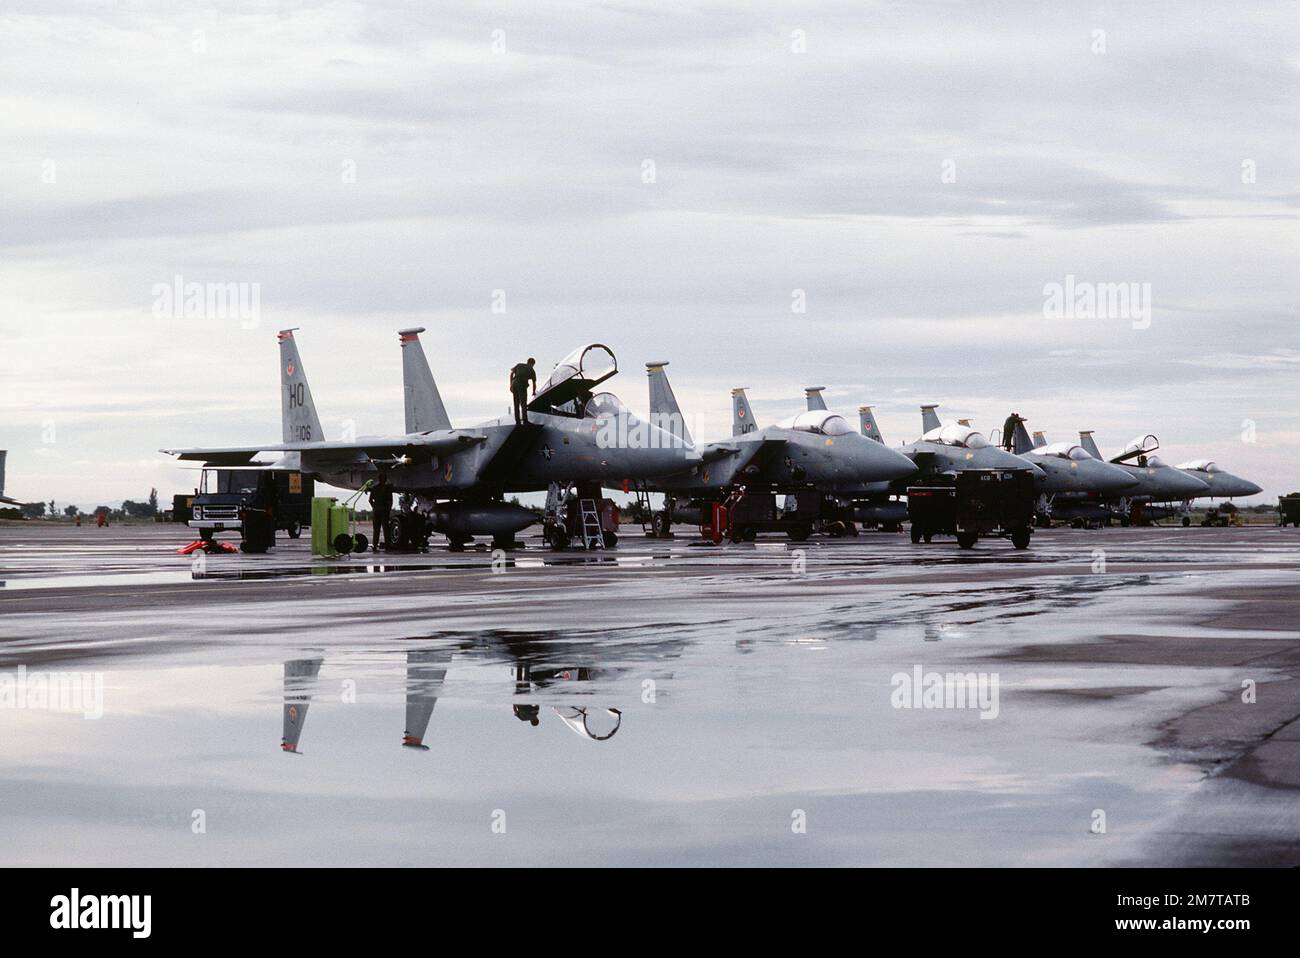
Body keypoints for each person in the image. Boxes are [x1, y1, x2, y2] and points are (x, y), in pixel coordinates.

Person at [369, 472, 393, 552]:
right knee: (386, 529)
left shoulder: (374, 488)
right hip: (384, 510)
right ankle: (388, 545)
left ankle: (375, 545)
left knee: (376, 529)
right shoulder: (387, 488)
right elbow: (390, 500)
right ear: (385, 480)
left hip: (376, 510)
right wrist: (388, 509)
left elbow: (370, 500)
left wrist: (374, 507)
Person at [509, 357, 537, 425]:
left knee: (516, 404)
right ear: (532, 364)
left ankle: (517, 421)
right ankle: (525, 420)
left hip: (514, 384)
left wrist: (510, 385)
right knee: (523, 403)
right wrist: (533, 392)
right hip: (522, 385)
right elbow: (534, 383)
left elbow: (511, 373)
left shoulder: (519, 365)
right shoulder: (532, 370)